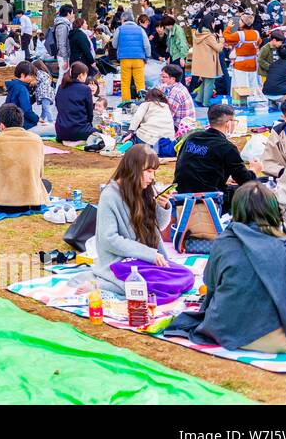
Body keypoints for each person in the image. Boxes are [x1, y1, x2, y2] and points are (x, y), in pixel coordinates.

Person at [167, 182, 286, 353]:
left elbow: (211, 285)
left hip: (227, 332)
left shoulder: (223, 244)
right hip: (284, 339)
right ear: (273, 211)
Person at [91, 144, 173, 295]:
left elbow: (158, 227)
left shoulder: (144, 189)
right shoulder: (110, 196)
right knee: (158, 286)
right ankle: (103, 284)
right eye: (148, 171)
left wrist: (162, 206)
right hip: (123, 264)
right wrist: (148, 254)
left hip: (147, 260)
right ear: (134, 168)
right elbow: (109, 239)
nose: (152, 177)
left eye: (154, 172)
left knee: (184, 277)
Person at [174, 104, 258, 209]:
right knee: (252, 191)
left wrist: (223, 178)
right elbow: (246, 181)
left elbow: (190, 166)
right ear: (229, 124)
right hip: (210, 200)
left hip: (182, 196)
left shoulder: (192, 138)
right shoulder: (227, 147)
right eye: (235, 122)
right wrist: (254, 169)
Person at [0, 104, 51, 212]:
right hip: (32, 200)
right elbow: (39, 173)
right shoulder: (36, 139)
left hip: (3, 202)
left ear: (2, 125)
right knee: (46, 183)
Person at [54, 62, 97, 143]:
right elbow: (90, 113)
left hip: (60, 131)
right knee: (101, 133)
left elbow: (58, 106)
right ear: (80, 75)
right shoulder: (85, 89)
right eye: (85, 75)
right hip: (78, 130)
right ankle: (77, 141)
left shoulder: (61, 87)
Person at [115, 12, 151, 103]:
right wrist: (147, 56)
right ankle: (142, 103)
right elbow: (147, 45)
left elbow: (114, 45)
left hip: (124, 59)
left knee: (125, 83)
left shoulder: (119, 29)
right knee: (140, 83)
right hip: (138, 59)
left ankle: (126, 104)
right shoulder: (140, 29)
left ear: (123, 20)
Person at [127, 88, 176, 152]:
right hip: (167, 142)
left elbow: (137, 118)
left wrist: (130, 132)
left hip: (148, 140)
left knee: (131, 139)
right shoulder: (166, 107)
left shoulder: (146, 104)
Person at [190, 21, 224, 105]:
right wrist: (221, 39)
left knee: (205, 81)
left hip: (201, 62)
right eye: (213, 22)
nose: (214, 24)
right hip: (209, 62)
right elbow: (218, 48)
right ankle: (206, 102)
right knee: (210, 83)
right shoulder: (209, 36)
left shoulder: (197, 33)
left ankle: (199, 98)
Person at [4, 61, 41, 129]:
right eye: (31, 75)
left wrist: (34, 97)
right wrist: (37, 119)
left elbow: (20, 103)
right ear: (23, 75)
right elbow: (26, 110)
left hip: (10, 122)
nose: (32, 78)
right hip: (20, 123)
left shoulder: (14, 85)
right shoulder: (22, 89)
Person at [51, 5, 75, 81]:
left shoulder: (65, 24)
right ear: (68, 13)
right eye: (72, 13)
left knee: (65, 76)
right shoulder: (62, 26)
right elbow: (61, 43)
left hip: (65, 54)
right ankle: (58, 92)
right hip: (63, 55)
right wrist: (65, 59)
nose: (73, 15)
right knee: (63, 77)